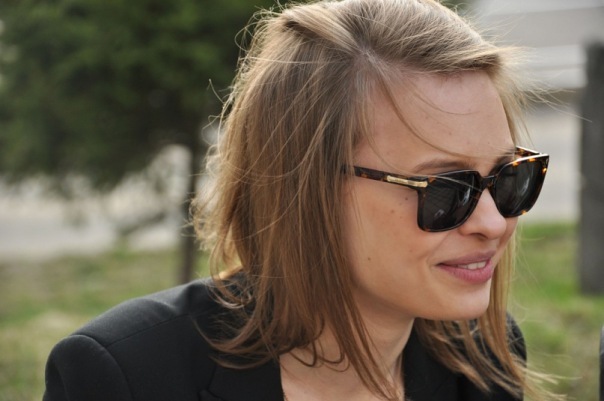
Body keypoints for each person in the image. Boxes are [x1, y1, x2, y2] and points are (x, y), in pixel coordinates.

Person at [43, 0, 557, 400]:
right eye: (447, 189)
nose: (493, 223)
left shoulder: (482, 358)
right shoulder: (125, 378)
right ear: (306, 188)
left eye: (509, 178)